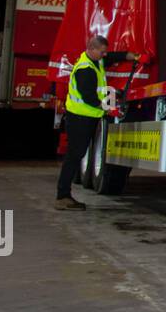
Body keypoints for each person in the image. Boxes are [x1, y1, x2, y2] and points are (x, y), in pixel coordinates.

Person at [55, 34, 140, 211]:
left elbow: (112, 57)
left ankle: (63, 195)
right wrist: (109, 109)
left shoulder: (95, 61)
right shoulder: (85, 69)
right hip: (80, 118)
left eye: (104, 52)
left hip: (87, 117)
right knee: (74, 155)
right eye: (101, 52)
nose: (104, 55)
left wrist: (131, 56)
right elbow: (89, 98)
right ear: (92, 49)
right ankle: (62, 196)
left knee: (75, 154)